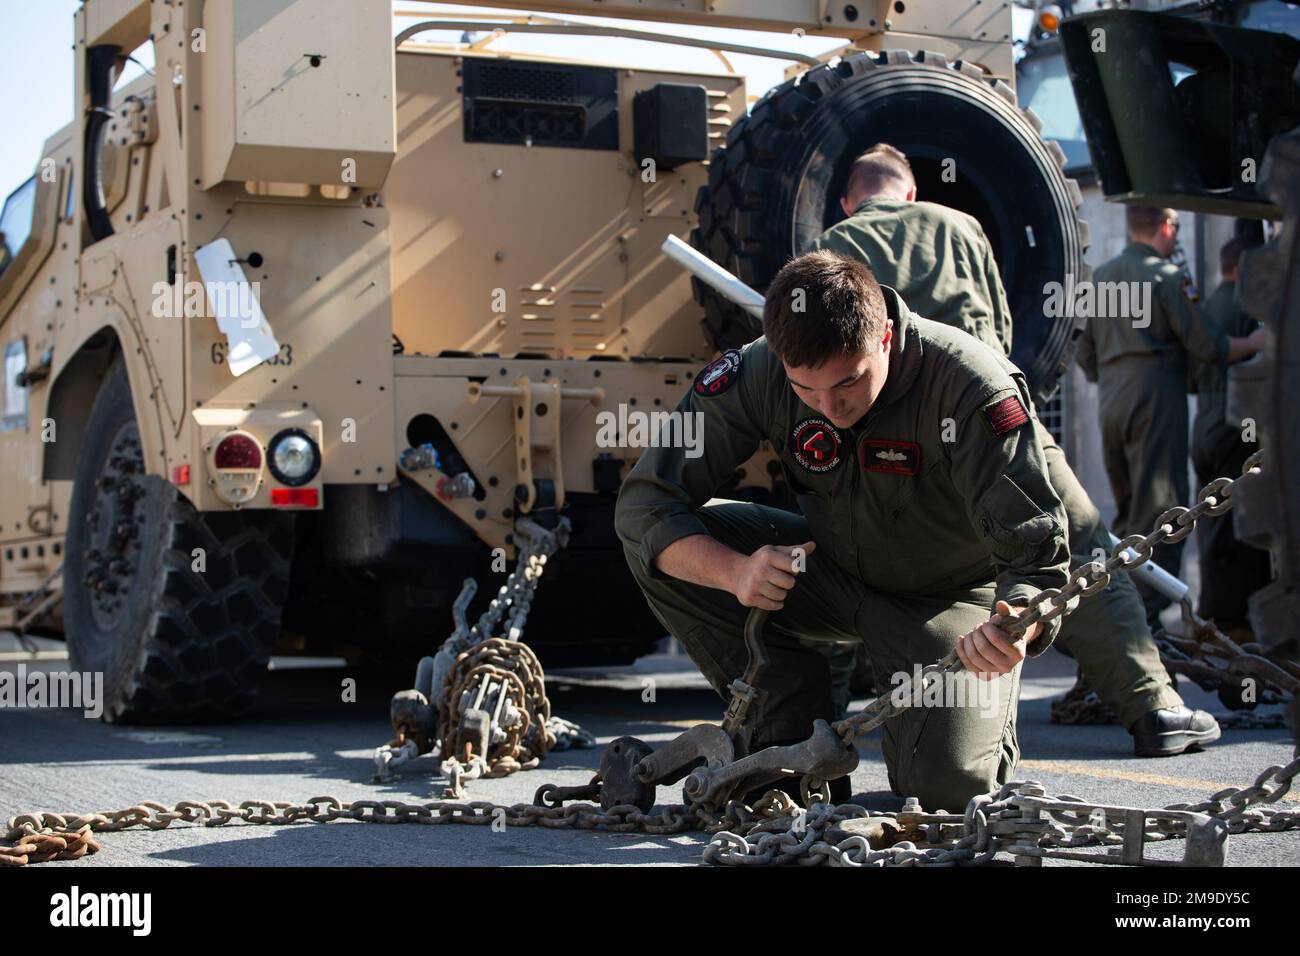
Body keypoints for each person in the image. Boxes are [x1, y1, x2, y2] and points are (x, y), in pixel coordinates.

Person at [616, 250, 1071, 811]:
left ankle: (976, 736)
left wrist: (1013, 628)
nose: (829, 408)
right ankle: (783, 729)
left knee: (945, 793)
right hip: (826, 572)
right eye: (805, 390)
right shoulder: (759, 369)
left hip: (944, 603)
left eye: (847, 384)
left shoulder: (971, 387)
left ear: (883, 337)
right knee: (660, 548)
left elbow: (1036, 561)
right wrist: (736, 572)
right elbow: (645, 505)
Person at [811, 144, 1216, 757]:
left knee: (840, 556)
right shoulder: (963, 226)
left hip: (882, 443)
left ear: (849, 200)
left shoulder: (833, 243)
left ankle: (818, 729)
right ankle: (1154, 709)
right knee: (1081, 549)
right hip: (988, 415)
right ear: (913, 193)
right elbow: (999, 335)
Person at [1077, 206, 1265, 629]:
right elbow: (1208, 345)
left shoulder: (1100, 279)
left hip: (1111, 400)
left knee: (1127, 517)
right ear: (1165, 225)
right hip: (1155, 399)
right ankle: (1142, 621)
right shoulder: (1168, 276)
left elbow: (1083, 352)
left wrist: (1110, 372)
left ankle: (1117, 607)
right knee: (1164, 514)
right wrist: (1252, 340)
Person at [1190, 237, 1270, 637]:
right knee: (1238, 524)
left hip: (1203, 424)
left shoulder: (1206, 308)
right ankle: (1230, 619)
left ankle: (1215, 611)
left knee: (1209, 520)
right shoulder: (1246, 306)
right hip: (1233, 426)